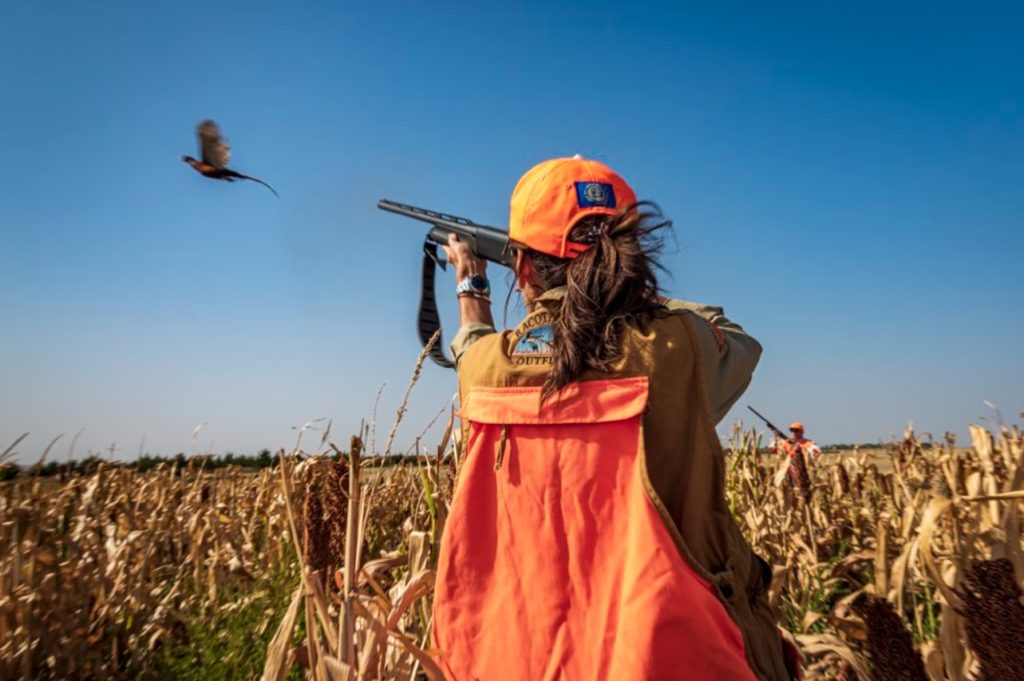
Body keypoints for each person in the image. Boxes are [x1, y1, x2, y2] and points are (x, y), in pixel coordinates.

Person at [433, 157, 798, 680]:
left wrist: (471, 284)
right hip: (680, 657)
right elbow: (734, 335)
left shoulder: (484, 371)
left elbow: (471, 345)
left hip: (525, 660)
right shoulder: (681, 350)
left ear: (524, 268)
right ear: (630, 256)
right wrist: (624, 288)